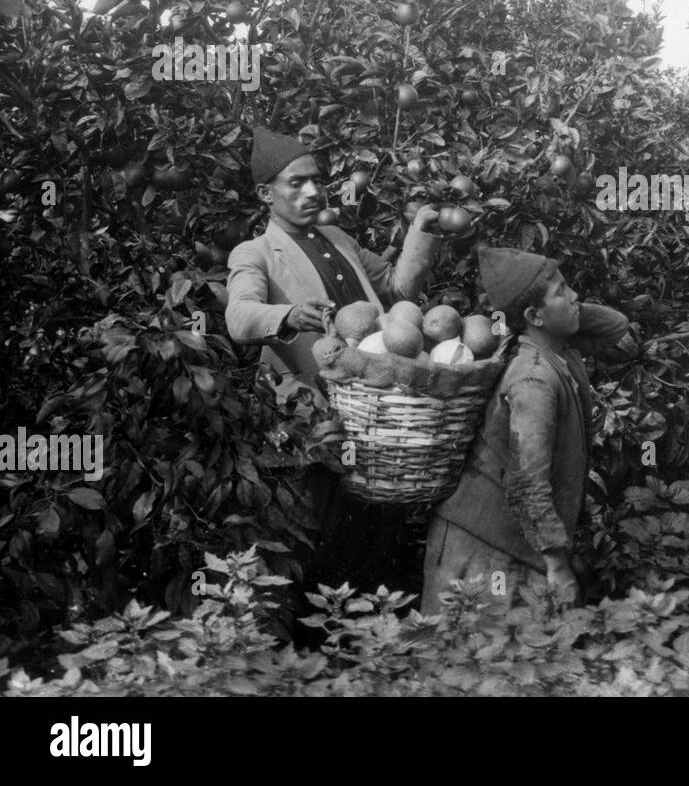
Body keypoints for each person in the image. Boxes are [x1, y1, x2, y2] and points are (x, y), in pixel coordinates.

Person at [225, 127, 445, 608]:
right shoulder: (255, 253)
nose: (312, 191)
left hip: (373, 406)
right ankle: (313, 652)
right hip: (315, 419)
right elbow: (239, 316)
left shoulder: (337, 237)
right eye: (296, 183)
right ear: (266, 194)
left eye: (317, 181)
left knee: (375, 528)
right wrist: (286, 315)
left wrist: (418, 236)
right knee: (319, 533)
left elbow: (397, 290)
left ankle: (366, 646)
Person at [422, 247, 635, 613]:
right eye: (561, 293)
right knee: (470, 660)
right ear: (534, 315)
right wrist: (557, 564)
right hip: (482, 552)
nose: (574, 298)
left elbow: (617, 327)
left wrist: (561, 305)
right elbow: (526, 483)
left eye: (569, 288)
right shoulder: (533, 381)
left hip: (512, 545)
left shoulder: (556, 348)